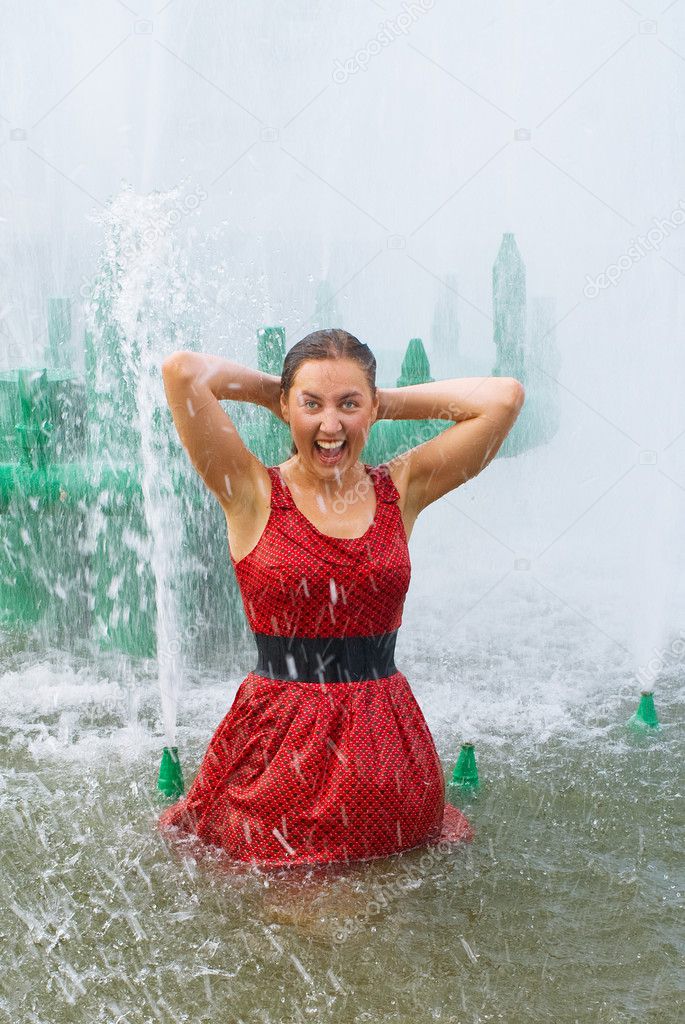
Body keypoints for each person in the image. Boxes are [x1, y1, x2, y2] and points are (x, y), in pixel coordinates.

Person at [157, 328, 524, 870]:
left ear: (371, 408)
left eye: (348, 405)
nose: (331, 426)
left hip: (388, 762)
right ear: (287, 407)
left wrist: (380, 403)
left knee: (390, 901)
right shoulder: (252, 491)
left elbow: (503, 399)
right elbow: (183, 372)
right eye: (312, 405)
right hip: (280, 764)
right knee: (297, 905)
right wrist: (276, 394)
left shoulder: (402, 489)